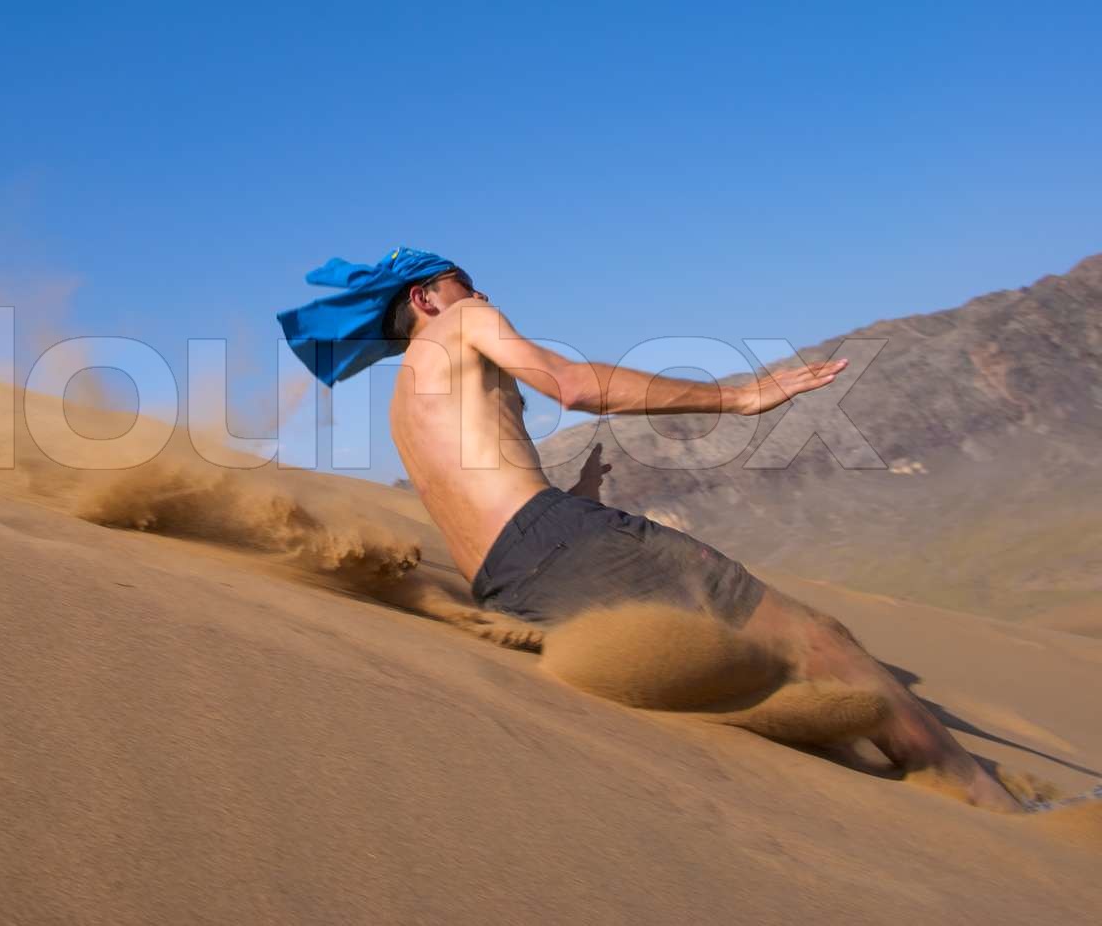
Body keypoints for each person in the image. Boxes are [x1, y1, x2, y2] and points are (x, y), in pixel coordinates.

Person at [278, 249, 1021, 811]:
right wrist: (738, 396)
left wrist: (575, 496)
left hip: (508, 581)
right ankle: (992, 803)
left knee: (741, 672)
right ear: (428, 297)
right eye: (468, 284)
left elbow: (490, 511)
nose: (485, 296)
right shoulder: (467, 322)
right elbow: (569, 386)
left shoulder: (404, 409)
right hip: (555, 537)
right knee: (820, 639)